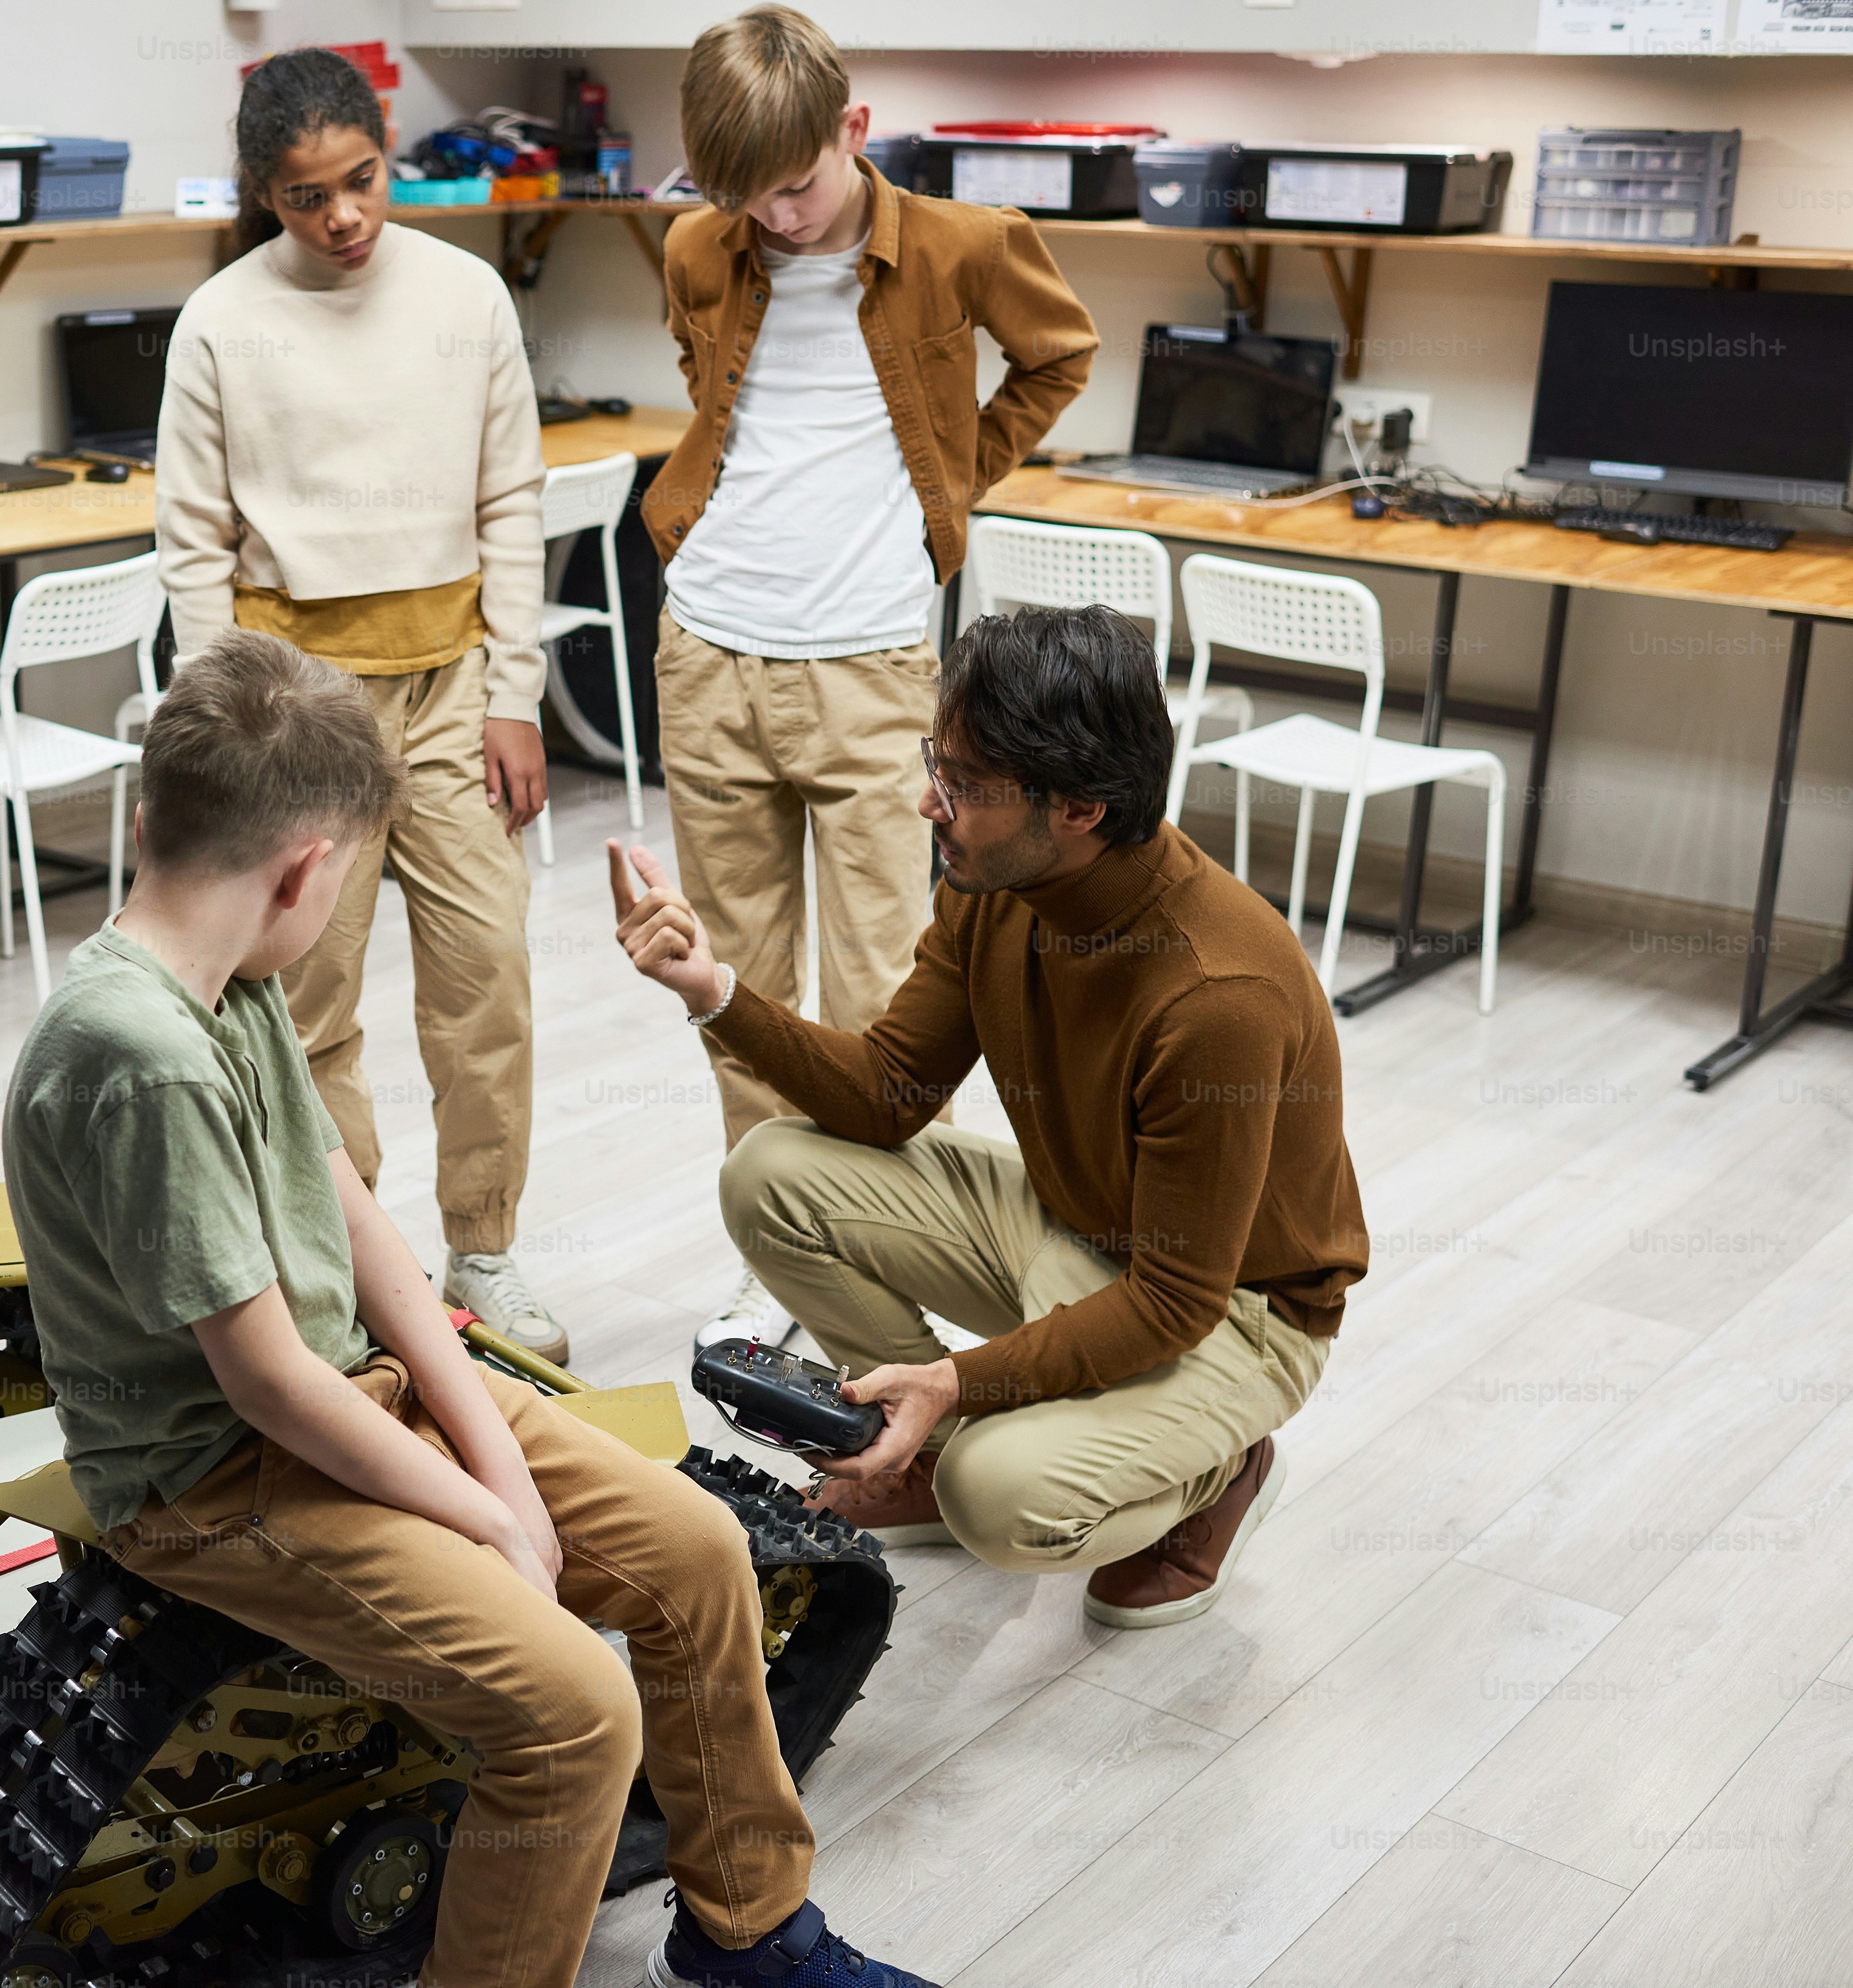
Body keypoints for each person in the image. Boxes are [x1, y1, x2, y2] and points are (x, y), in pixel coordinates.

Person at [5, 629, 933, 1988]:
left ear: (153, 816)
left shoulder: (237, 979)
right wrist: (486, 1518)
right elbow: (263, 1385)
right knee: (572, 1714)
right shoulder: (140, 1056)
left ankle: (749, 1926)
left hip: (349, 1396)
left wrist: (499, 1458)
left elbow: (362, 1226)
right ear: (309, 869)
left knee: (694, 1551)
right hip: (210, 1478)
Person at [612, 607, 1367, 1630]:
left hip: (1232, 1305)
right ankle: (920, 1450)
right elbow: (886, 1093)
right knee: (769, 1173)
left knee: (997, 1498)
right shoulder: (996, 881)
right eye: (940, 762)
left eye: (963, 784)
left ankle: (1221, 1469)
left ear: (1080, 809)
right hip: (1071, 1220)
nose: (930, 801)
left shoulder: (1217, 995)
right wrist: (715, 992)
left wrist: (956, 1380)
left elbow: (1172, 1303)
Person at [650, 2, 1099, 1350]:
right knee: (735, 987)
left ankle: (891, 1253)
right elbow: (710, 390)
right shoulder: (694, 247)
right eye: (745, 198)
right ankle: (772, 1243)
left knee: (889, 994)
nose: (774, 219)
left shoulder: (962, 247)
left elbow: (1061, 355)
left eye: (795, 186)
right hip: (709, 645)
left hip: (876, 666)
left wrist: (945, 490)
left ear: (854, 130)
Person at [155, 46, 570, 1359]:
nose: (341, 217)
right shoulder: (221, 320)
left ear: (391, 158)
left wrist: (518, 693)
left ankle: (486, 1256)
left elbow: (513, 499)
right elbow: (192, 547)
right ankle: (348, 1275)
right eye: (304, 197)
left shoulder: (467, 295)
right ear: (262, 195)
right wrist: (225, 745)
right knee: (307, 1011)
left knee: (487, 977)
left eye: (361, 181)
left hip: (453, 689)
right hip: (295, 714)